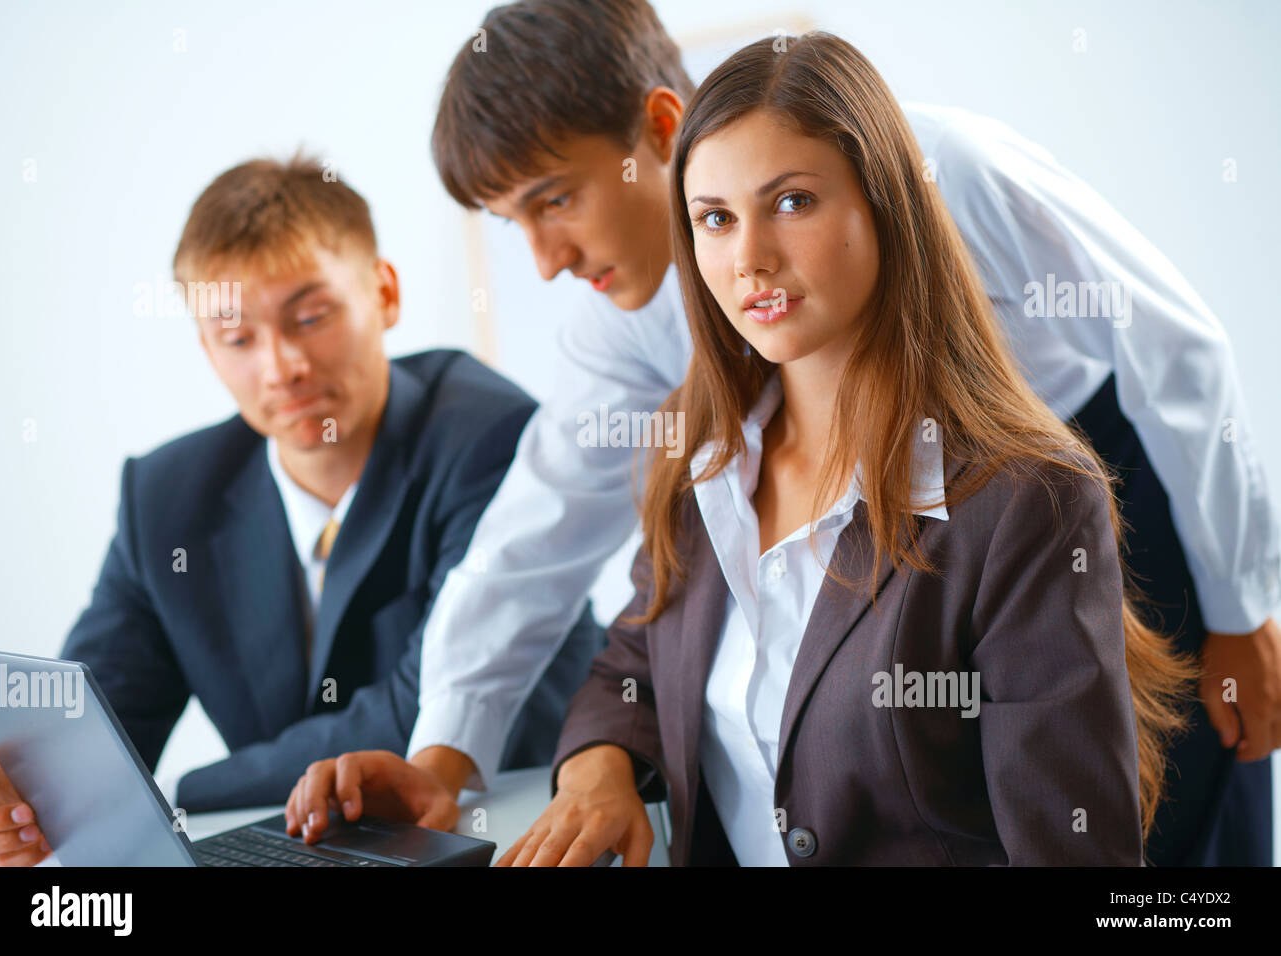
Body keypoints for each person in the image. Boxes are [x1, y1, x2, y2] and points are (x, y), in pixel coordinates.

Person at [289, 0, 1280, 866]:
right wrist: (442, 760)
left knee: (1192, 824)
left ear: (659, 129)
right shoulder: (644, 349)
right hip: (878, 546)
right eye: (514, 223)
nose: (544, 259)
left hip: (1106, 488)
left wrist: (1240, 604)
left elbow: (1173, 347)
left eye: (555, 198)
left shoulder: (943, 167)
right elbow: (530, 542)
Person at [494, 29, 1202, 866]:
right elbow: (636, 662)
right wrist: (596, 770)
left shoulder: (1027, 502)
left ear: (884, 203)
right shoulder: (699, 468)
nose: (750, 258)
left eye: (792, 202)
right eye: (715, 219)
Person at [0, 153, 601, 866]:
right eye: (238, 339)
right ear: (206, 348)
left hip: (504, 833)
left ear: (385, 292)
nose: (281, 368)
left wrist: (169, 786)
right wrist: (17, 799)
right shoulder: (166, 495)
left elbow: (416, 709)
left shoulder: (488, 436)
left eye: (310, 317)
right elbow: (81, 727)